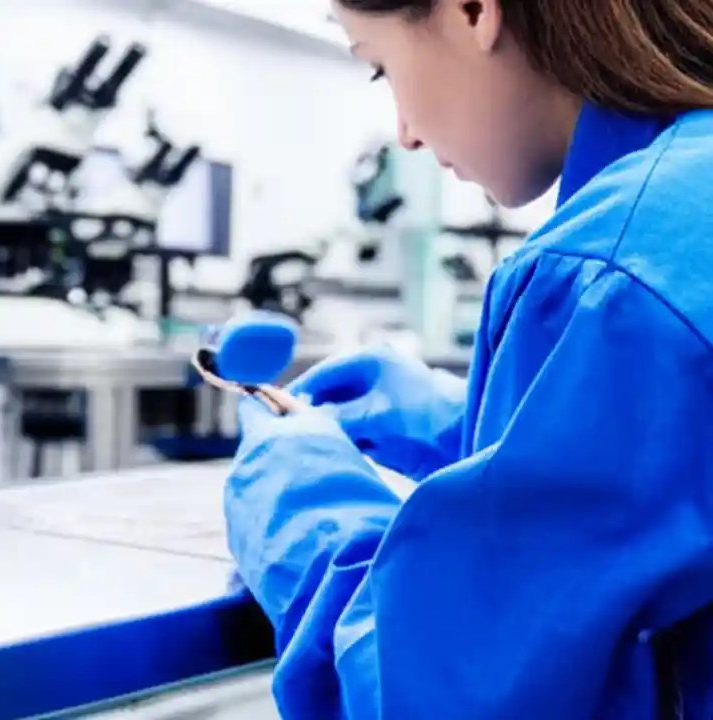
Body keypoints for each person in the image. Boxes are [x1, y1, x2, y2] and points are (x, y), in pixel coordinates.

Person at [222, 0, 713, 717]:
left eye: (378, 67)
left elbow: (430, 695)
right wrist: (472, 423)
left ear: (476, 9)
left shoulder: (610, 278)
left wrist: (297, 501)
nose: (406, 134)